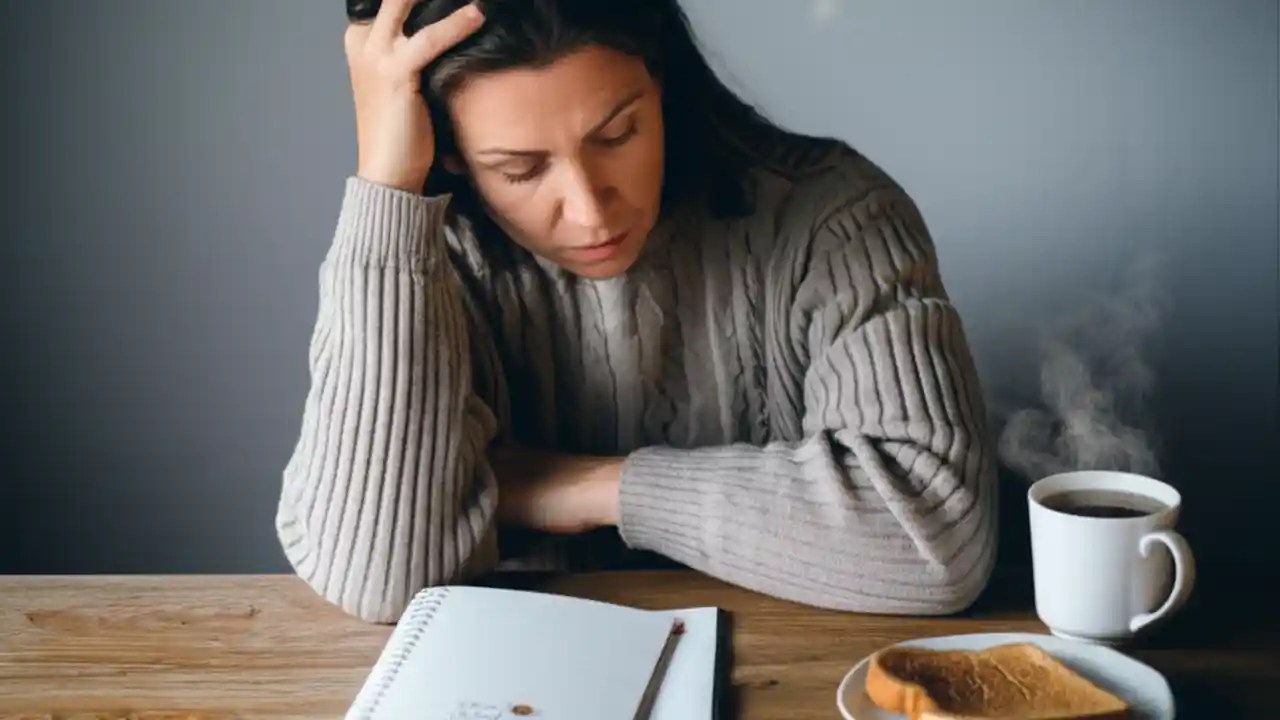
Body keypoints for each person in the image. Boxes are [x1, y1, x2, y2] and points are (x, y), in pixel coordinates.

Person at [276, 0, 998, 624]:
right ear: (454, 154)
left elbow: (936, 543)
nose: (589, 211)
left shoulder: (831, 217)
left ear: (661, 80)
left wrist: (576, 487)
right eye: (520, 169)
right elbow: (372, 576)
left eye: (618, 134)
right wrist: (387, 190)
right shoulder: (430, 257)